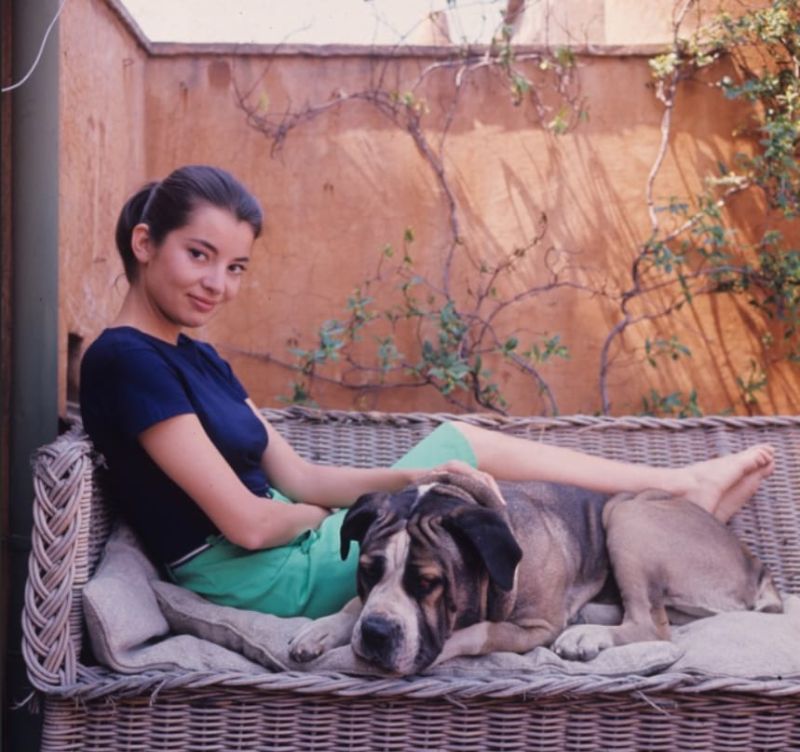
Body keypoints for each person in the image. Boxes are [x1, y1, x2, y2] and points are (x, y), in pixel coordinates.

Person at [79, 165, 775, 620]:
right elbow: (251, 523)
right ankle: (676, 497)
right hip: (258, 576)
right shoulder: (126, 361)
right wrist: (320, 517)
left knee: (455, 457)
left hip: (293, 540)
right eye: (197, 256)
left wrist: (413, 476)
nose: (217, 286)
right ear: (145, 243)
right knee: (459, 516)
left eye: (235, 267)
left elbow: (300, 475)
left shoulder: (199, 358)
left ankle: (675, 491)